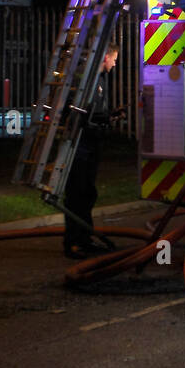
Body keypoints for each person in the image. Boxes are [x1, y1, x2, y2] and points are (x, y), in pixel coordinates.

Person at [63, 42, 122, 259]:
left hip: (91, 143)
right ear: (106, 57)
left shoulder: (101, 79)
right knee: (77, 193)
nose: (115, 64)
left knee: (87, 193)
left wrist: (110, 115)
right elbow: (80, 111)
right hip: (79, 145)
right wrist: (102, 117)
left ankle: (84, 239)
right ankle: (74, 242)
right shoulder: (84, 79)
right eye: (114, 59)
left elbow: (95, 111)